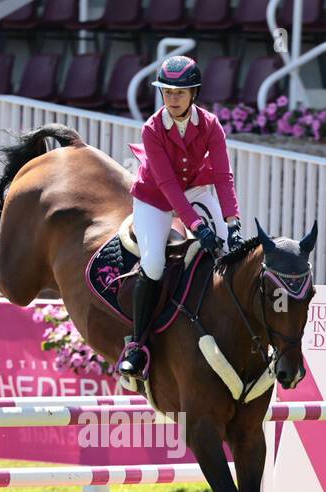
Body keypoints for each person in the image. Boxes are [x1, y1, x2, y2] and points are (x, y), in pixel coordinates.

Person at [117, 55, 243, 383]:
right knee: (155, 263)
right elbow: (167, 185)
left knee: (230, 248)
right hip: (155, 198)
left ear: (194, 94)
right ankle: (137, 346)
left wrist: (232, 221)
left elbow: (222, 175)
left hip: (197, 190)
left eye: (180, 92)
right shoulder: (152, 129)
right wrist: (198, 227)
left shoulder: (211, 125)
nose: (173, 98)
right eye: (167, 92)